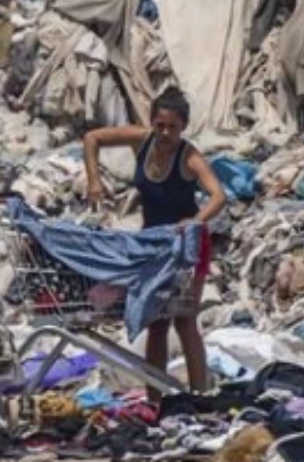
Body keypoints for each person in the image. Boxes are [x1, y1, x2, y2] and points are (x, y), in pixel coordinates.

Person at [82, 87, 226, 401]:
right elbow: (92, 138)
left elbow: (218, 195)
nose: (165, 133)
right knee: (157, 323)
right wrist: (93, 178)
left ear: (183, 126)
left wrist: (195, 221)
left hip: (187, 247)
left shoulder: (189, 157)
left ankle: (199, 398)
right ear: (151, 122)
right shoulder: (142, 140)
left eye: (172, 127)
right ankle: (155, 401)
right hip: (153, 247)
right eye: (160, 125)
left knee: (185, 320)